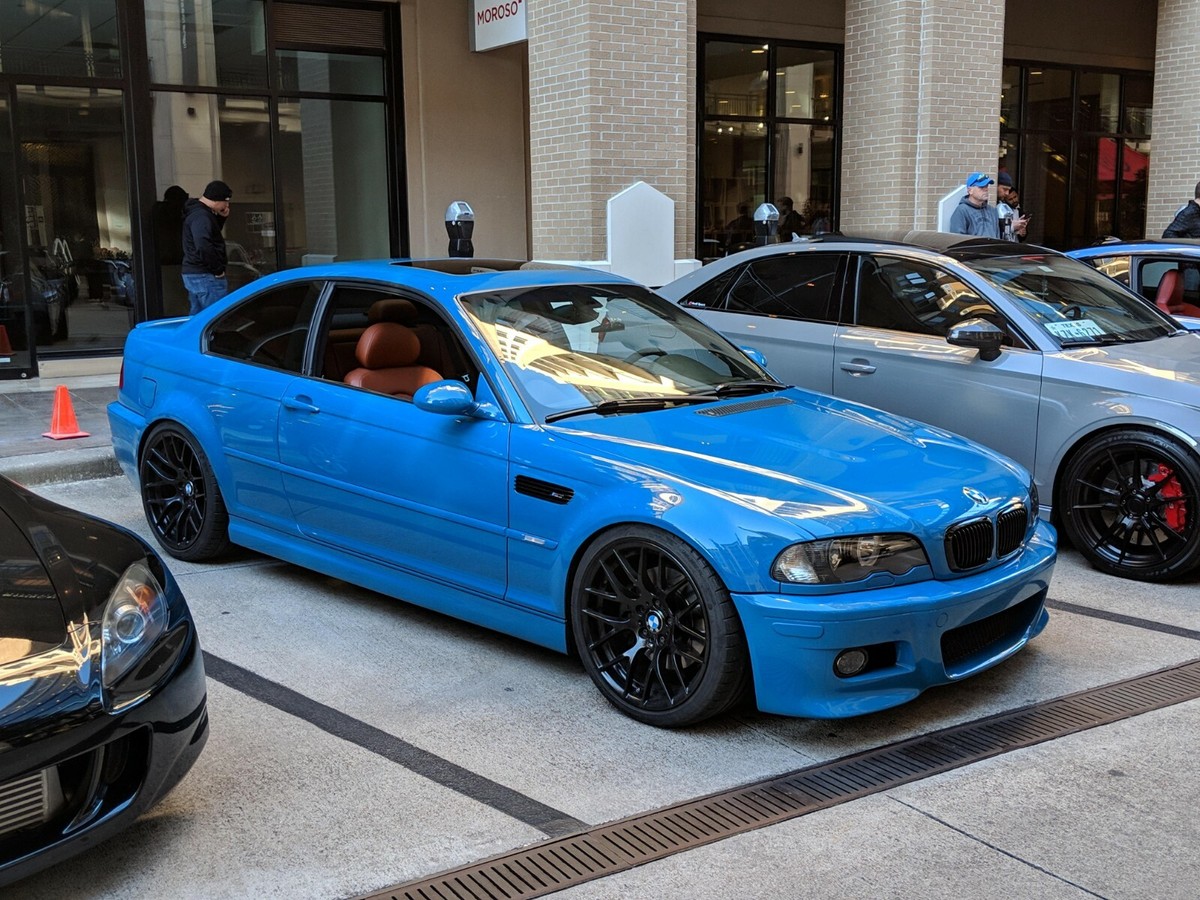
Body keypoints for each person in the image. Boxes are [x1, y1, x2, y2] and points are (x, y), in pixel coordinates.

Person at [181, 180, 232, 315]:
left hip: (195, 273)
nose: (226, 205)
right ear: (216, 200)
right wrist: (217, 270)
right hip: (205, 274)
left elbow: (211, 234)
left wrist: (221, 219)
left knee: (198, 319)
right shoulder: (202, 216)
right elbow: (204, 245)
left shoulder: (198, 213)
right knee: (216, 318)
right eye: (225, 201)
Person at [948, 172, 1000, 238]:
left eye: (986, 186)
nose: (986, 189)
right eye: (981, 187)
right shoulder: (962, 211)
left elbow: (997, 236)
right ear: (970, 190)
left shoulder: (992, 211)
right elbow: (957, 240)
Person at [995, 172, 1028, 242]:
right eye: (1004, 189)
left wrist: (1022, 232)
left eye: (1015, 197)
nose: (1007, 193)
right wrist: (1012, 226)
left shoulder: (1021, 212)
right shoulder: (997, 207)